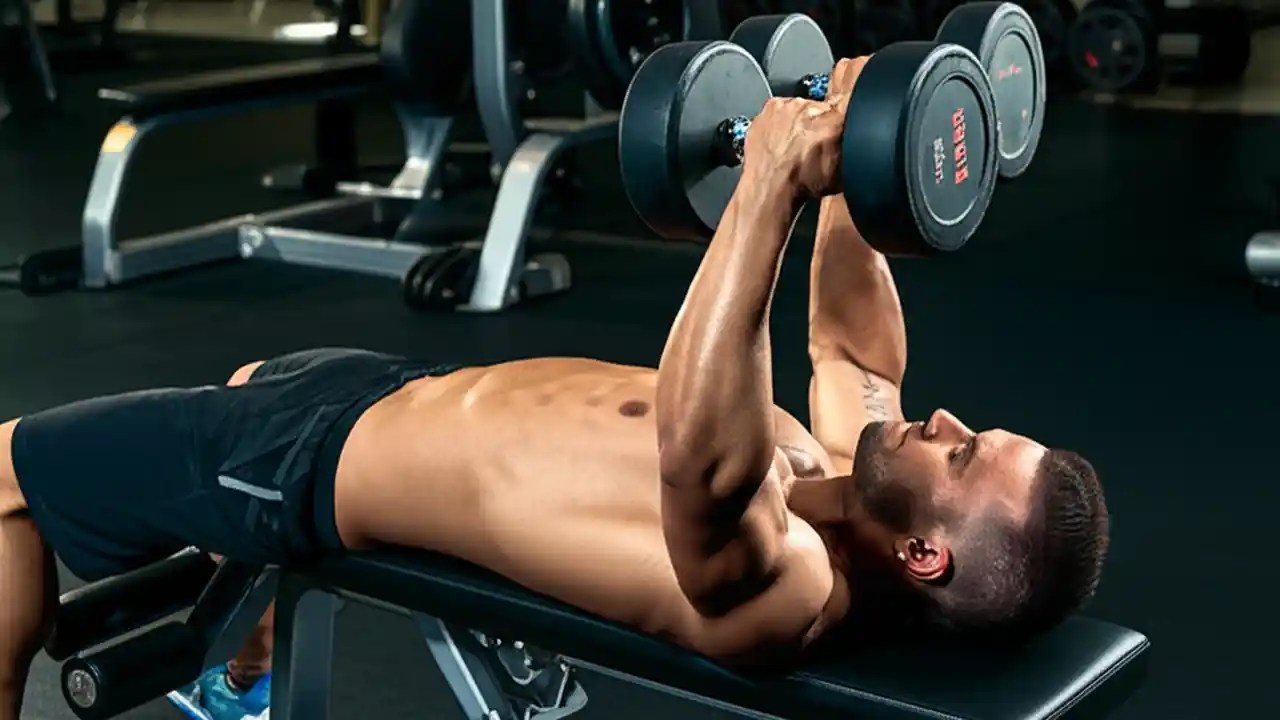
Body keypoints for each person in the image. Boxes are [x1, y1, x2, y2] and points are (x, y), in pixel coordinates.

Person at [0, 59, 1109, 720]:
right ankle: (240, 678)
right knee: (245, 378)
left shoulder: (792, 590)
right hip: (396, 393)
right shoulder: (849, 476)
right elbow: (855, 356)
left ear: (926, 556)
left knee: (2, 475)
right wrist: (859, 126)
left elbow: (699, 456)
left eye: (963, 453)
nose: (946, 422)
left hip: (314, 465)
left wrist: (768, 185)